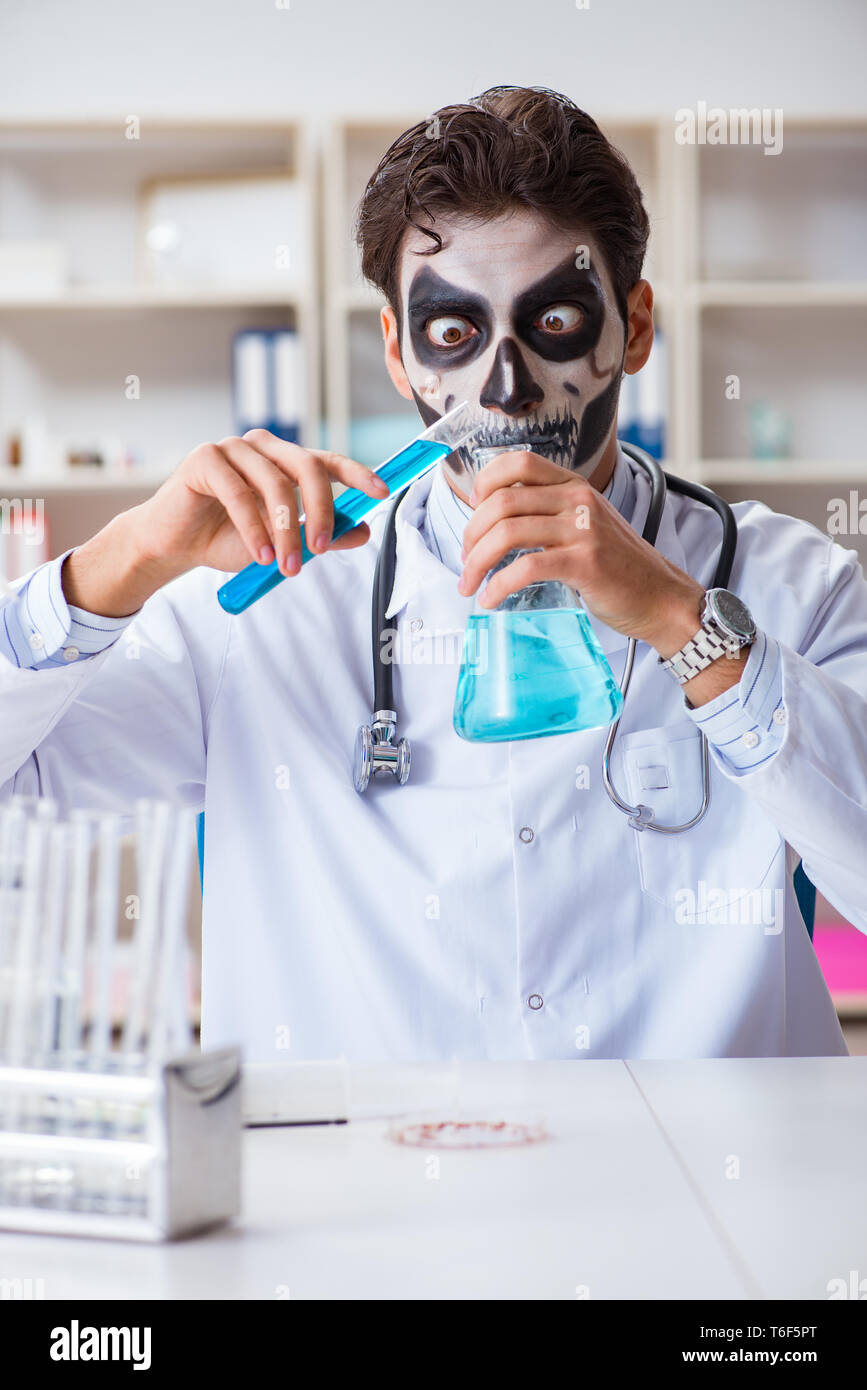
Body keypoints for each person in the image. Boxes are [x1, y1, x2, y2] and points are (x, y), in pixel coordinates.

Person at [1, 87, 865, 1063]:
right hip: (357, 1204)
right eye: (454, 332)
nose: (505, 388)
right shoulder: (271, 600)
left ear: (634, 324)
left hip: (710, 1200)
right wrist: (119, 564)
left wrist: (677, 617)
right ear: (398, 353)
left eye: (556, 320)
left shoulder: (788, 580)